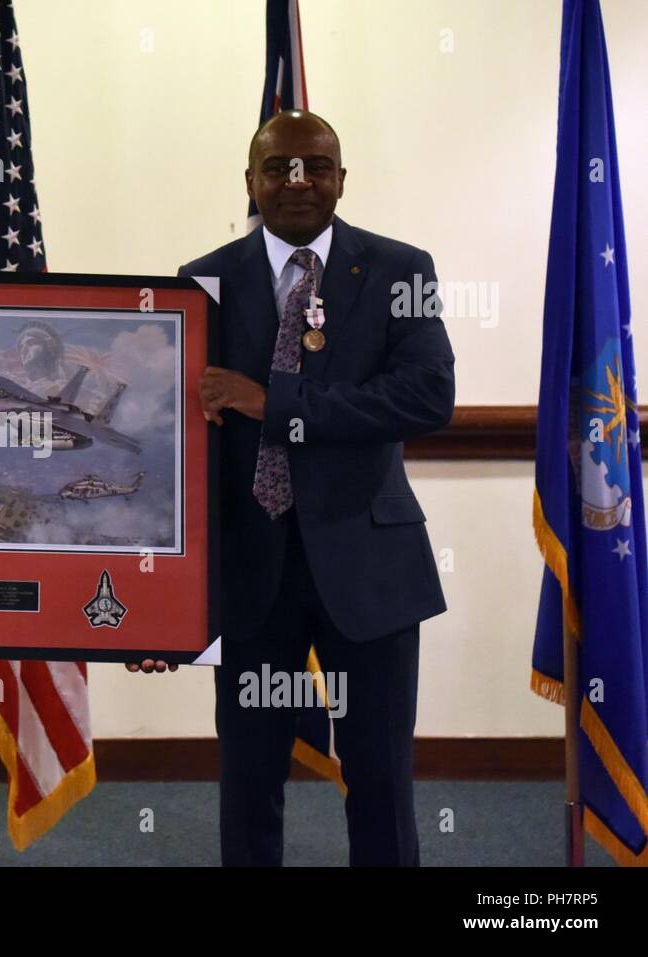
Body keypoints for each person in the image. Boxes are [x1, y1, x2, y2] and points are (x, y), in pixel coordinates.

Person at [130, 111, 454, 867]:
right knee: (249, 781)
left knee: (379, 779)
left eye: (317, 165)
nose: (298, 181)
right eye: (279, 168)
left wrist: (270, 402)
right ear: (250, 182)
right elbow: (174, 441)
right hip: (252, 571)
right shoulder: (201, 283)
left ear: (343, 179)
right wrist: (157, 598)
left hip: (369, 568)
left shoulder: (402, 271)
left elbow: (426, 397)